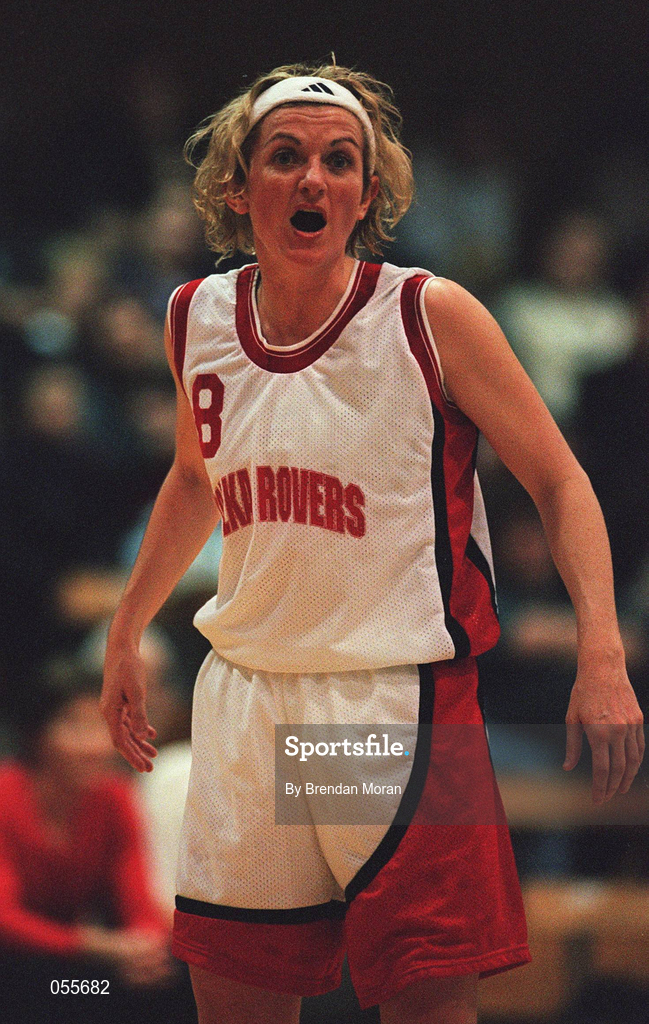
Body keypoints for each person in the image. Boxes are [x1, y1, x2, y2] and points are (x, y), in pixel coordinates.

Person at [101, 62, 644, 1024]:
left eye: (338, 162)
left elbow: (559, 479)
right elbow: (195, 478)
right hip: (246, 692)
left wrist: (600, 646)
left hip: (390, 702)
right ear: (238, 187)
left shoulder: (428, 315)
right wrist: (125, 627)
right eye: (286, 158)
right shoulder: (196, 316)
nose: (314, 179)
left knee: (425, 1004)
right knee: (236, 1004)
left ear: (366, 192)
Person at [0, 661, 174, 1023]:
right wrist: (95, 946)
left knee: (164, 979)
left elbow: (138, 898)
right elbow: (5, 918)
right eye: (74, 726)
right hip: (22, 963)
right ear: (36, 733)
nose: (95, 745)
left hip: (79, 963)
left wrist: (143, 946)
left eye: (103, 726)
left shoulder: (115, 796)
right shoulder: (6, 795)